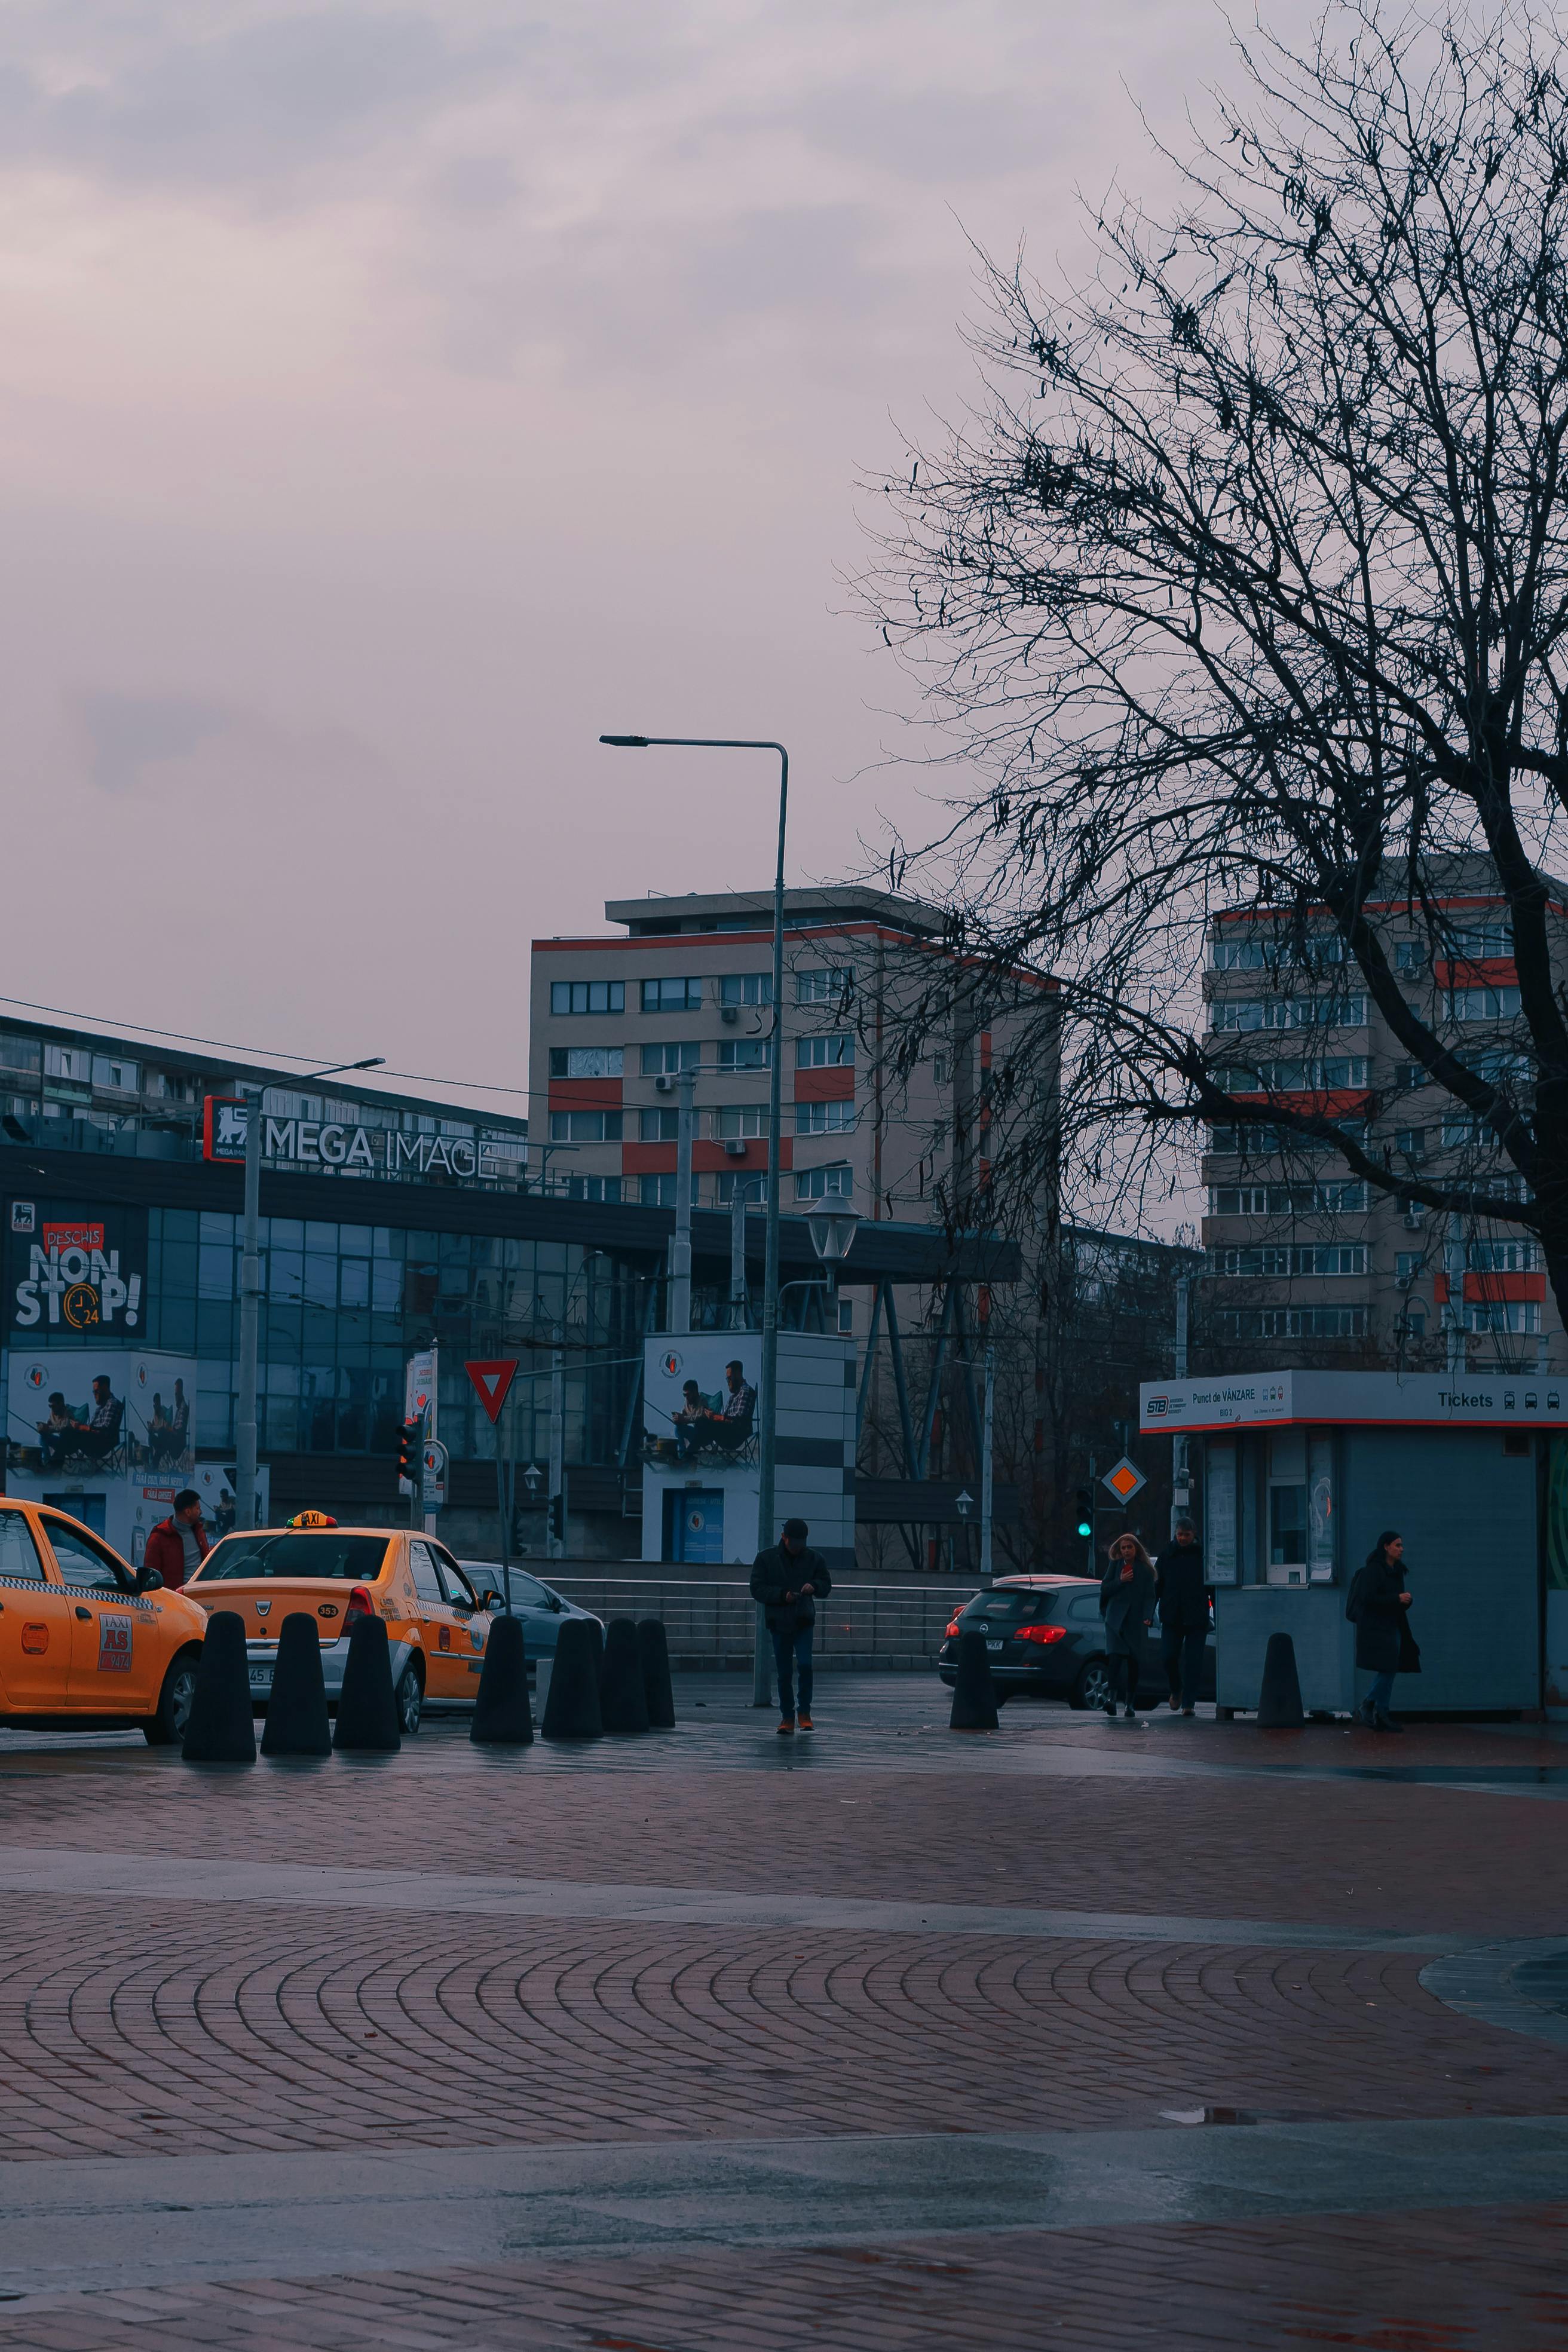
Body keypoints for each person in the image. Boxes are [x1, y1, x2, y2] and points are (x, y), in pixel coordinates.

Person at [750, 1515, 832, 1735]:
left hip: (803, 1619)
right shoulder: (767, 1559)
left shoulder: (814, 1559)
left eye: (800, 1545)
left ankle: (804, 1712)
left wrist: (813, 1586)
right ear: (784, 1538)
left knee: (805, 1665)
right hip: (780, 1621)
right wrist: (781, 1596)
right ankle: (788, 1715)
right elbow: (757, 1588)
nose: (797, 1549)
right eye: (793, 1544)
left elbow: (826, 1584)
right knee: (784, 1672)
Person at [1347, 1529, 1419, 1732]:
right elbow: (1367, 1598)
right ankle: (1374, 1706)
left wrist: (1405, 1602)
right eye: (1397, 1545)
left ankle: (1378, 1709)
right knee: (1388, 1667)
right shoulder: (1373, 1571)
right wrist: (1396, 1599)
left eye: (1401, 1545)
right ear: (1386, 1547)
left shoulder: (1397, 1571)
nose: (1401, 1549)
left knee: (1390, 1667)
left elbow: (1394, 1600)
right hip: (1375, 1627)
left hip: (1393, 1624)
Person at [1154, 1518, 1211, 1717]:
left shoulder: (1203, 1556)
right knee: (1168, 1657)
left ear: (1194, 1534)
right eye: (1180, 1535)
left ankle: (1189, 1703)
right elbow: (1157, 1586)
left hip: (1197, 1616)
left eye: (1186, 1535)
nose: (1183, 1538)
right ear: (1175, 1535)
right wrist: (1149, 1612)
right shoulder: (1167, 1556)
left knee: (1194, 1662)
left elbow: (1212, 1587)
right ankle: (1176, 1689)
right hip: (1172, 1616)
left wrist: (1216, 1611)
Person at [1099, 1532, 1156, 1722]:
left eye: (1129, 1547)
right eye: (1123, 1548)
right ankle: (1111, 1699)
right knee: (1114, 1660)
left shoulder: (1145, 1570)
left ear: (1136, 1549)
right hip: (1115, 1621)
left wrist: (1148, 1616)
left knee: (1134, 1663)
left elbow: (1150, 1596)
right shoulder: (1115, 1566)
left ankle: (1130, 1703)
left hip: (1135, 1621)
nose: (1126, 1551)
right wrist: (1120, 1581)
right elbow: (1105, 1589)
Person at [142, 1489, 209, 1592]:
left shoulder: (199, 1531)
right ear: (188, 1512)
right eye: (198, 1509)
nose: (201, 1512)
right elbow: (151, 1574)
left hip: (198, 1593)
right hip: (173, 1598)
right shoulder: (159, 1537)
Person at [709, 1359, 757, 1456]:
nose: (728, 1382)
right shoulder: (733, 1396)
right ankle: (691, 1455)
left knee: (704, 1424)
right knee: (703, 1422)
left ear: (738, 1374)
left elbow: (739, 1417)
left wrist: (718, 1418)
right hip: (729, 1432)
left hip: (737, 1435)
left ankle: (690, 1456)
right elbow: (725, 1416)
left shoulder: (745, 1391)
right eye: (727, 1379)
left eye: (730, 1378)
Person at [72, 1376, 123, 1463]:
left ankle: (54, 1465)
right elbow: (92, 1426)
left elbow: (106, 1427)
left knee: (68, 1433)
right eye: (93, 1392)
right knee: (68, 1431)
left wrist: (84, 1428)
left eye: (97, 1391)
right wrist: (80, 1426)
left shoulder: (112, 1403)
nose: (94, 1394)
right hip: (95, 1440)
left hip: (104, 1444)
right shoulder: (100, 1408)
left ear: (105, 1388)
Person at [35, 1392, 74, 1469]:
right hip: (59, 1441)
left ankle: (47, 1464)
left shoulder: (68, 1413)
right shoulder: (53, 1413)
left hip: (68, 1443)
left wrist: (49, 1429)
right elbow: (49, 1425)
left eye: (53, 1406)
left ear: (61, 1404)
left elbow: (65, 1428)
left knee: (43, 1438)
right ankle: (46, 1462)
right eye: (50, 1406)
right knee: (42, 1436)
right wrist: (43, 1428)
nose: (51, 1408)